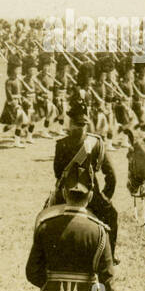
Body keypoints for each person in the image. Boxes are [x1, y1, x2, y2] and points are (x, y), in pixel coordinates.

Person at [52, 102, 119, 261]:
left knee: (45, 216)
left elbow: (57, 172)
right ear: (86, 124)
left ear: (71, 123)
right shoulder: (97, 142)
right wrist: (105, 197)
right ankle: (111, 256)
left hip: (65, 194)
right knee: (112, 215)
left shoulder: (61, 144)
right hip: (91, 194)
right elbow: (111, 176)